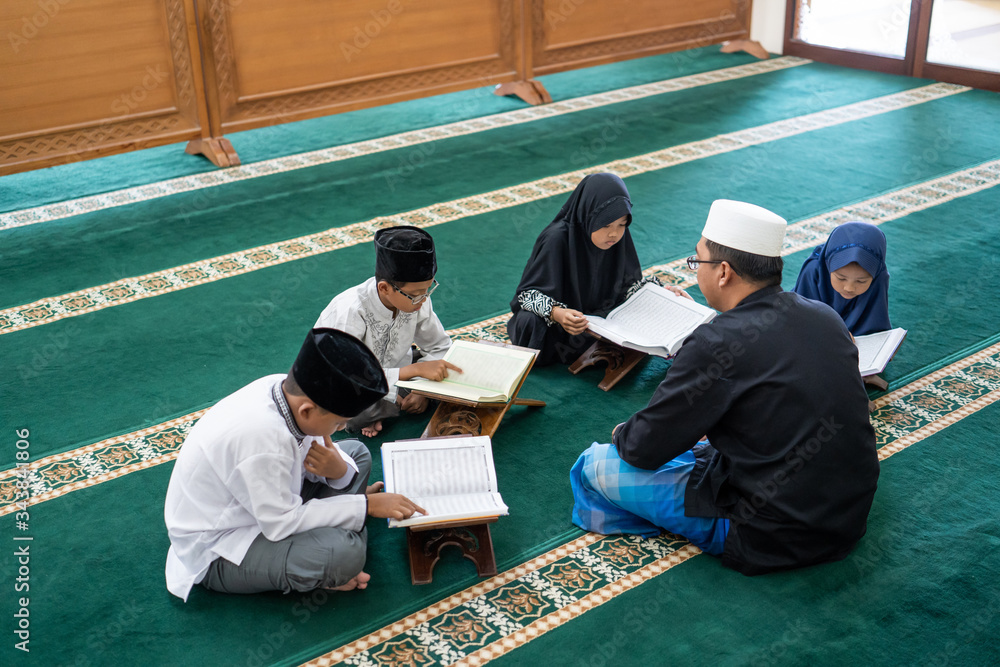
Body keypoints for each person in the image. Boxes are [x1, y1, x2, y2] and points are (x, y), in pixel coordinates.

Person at [570, 200, 880, 576]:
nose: (694, 270)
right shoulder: (825, 317)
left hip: (764, 532)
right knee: (701, 444)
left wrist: (624, 433)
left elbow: (641, 448)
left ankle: (671, 525)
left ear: (723, 272)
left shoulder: (714, 344)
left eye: (697, 262)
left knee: (594, 465)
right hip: (846, 518)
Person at [164, 328, 425, 601]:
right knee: (345, 555)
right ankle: (331, 562)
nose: (342, 427)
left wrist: (338, 472)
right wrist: (366, 507)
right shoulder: (263, 441)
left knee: (356, 454)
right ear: (307, 411)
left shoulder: (283, 388)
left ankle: (343, 527)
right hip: (222, 547)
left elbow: (306, 464)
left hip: (268, 503)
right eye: (338, 422)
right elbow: (280, 524)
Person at [315, 226, 461, 437]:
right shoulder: (350, 310)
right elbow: (344, 375)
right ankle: (385, 405)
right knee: (352, 408)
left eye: (428, 290)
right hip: (344, 383)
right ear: (384, 288)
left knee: (451, 369)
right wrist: (414, 372)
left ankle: (390, 405)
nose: (422, 300)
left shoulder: (418, 299)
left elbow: (439, 346)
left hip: (396, 373)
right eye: (415, 294)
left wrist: (422, 390)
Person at [507, 173, 662, 365]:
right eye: (606, 224)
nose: (614, 233)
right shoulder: (557, 239)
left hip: (596, 323)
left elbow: (629, 288)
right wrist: (557, 313)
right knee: (529, 322)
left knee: (642, 313)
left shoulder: (619, 242)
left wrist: (660, 292)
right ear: (589, 214)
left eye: (622, 225)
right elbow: (526, 296)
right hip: (559, 328)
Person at [792, 222, 891, 336]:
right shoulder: (814, 269)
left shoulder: (880, 277)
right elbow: (799, 317)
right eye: (841, 278)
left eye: (861, 281)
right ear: (828, 266)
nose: (849, 288)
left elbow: (875, 324)